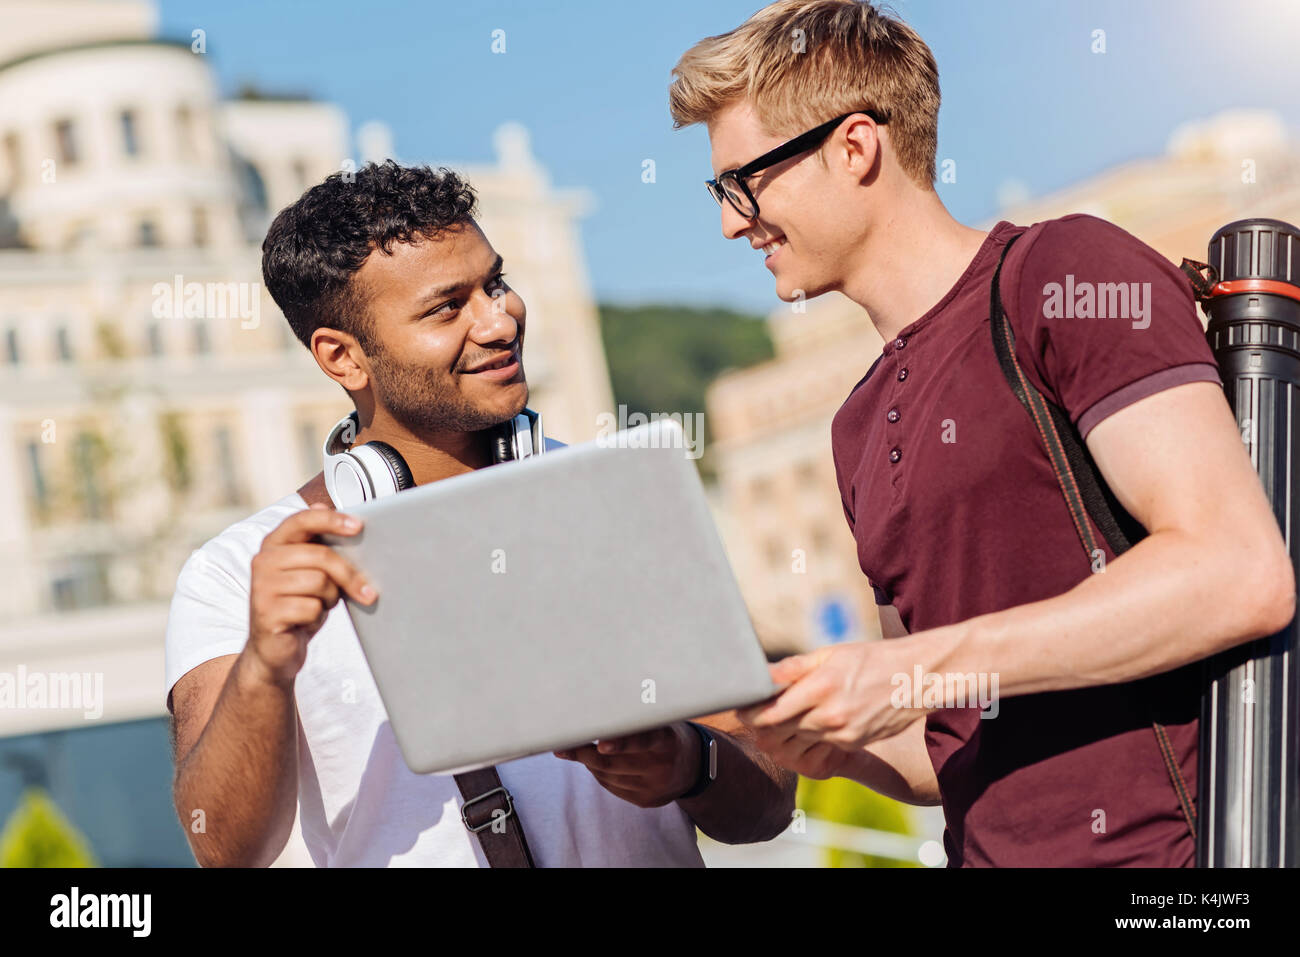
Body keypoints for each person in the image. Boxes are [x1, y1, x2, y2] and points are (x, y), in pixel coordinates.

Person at [668, 0, 1294, 866]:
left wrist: (912, 670)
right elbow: (940, 742)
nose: (732, 221)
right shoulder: (854, 428)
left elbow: (1237, 572)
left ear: (854, 147)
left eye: (745, 182)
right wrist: (819, 733)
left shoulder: (1064, 272)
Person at [165, 160, 795, 867]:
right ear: (342, 357)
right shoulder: (232, 574)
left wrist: (691, 764)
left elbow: (771, 802)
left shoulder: (620, 497)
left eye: (495, 283)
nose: (499, 319)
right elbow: (220, 846)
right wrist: (264, 666)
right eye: (446, 306)